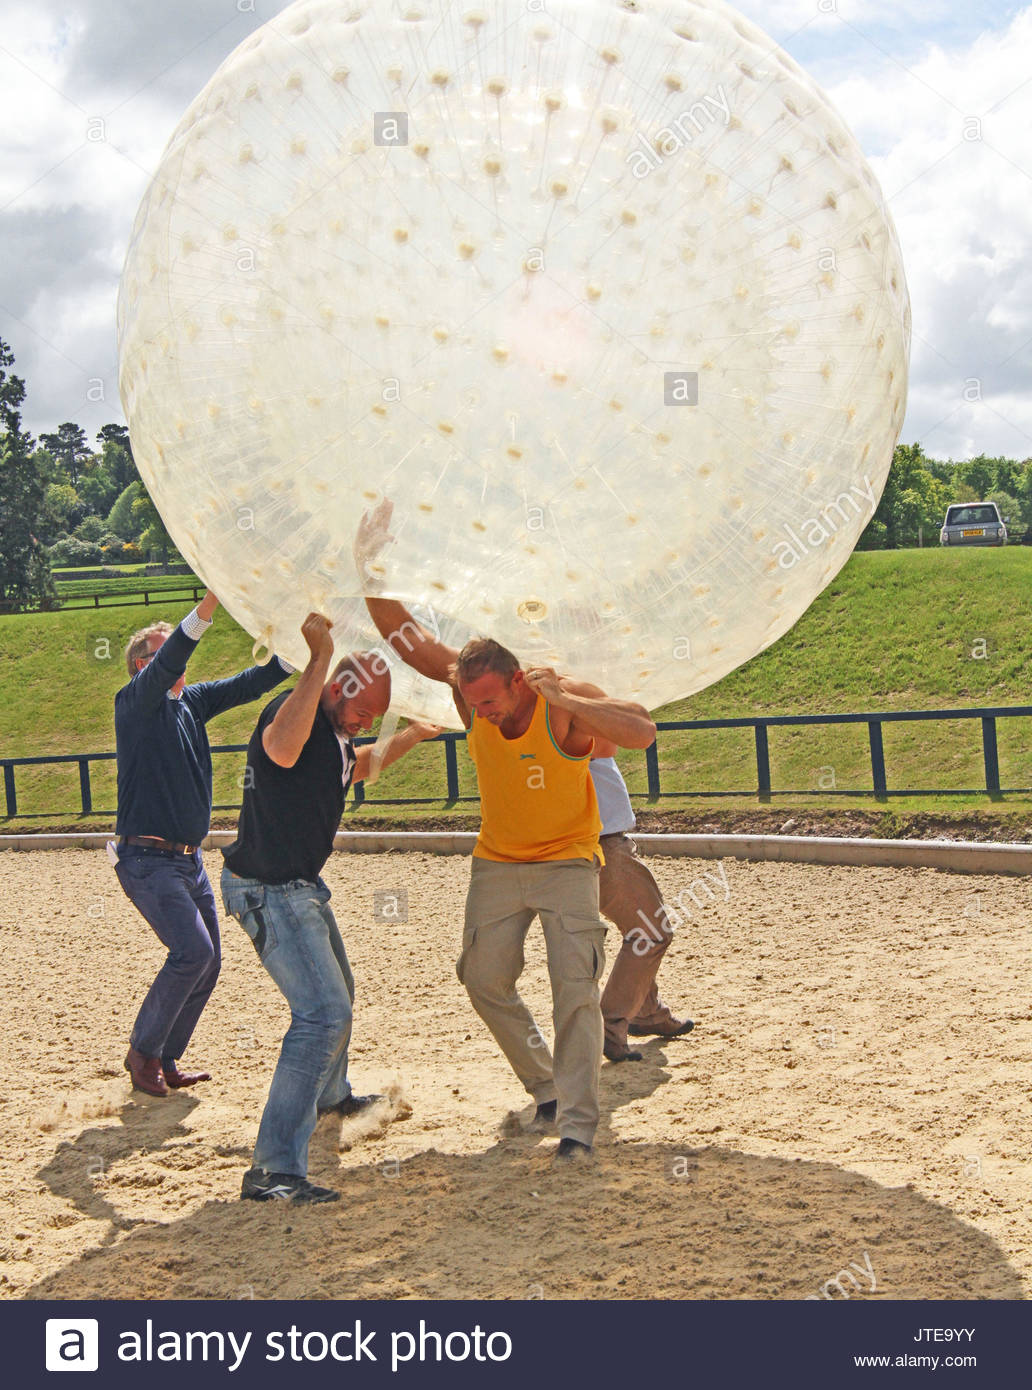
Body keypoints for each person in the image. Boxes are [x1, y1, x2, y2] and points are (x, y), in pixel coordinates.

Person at [358, 517, 656, 1161]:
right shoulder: (471, 698)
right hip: (496, 864)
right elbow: (408, 641)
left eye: (490, 702)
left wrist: (568, 699)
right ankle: (544, 1085)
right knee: (482, 978)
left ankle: (577, 1124)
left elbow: (640, 730)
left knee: (574, 991)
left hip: (570, 864)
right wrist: (370, 570)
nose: (481, 714)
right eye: (474, 704)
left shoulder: (561, 702)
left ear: (518, 680)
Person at [221, 612, 441, 1204]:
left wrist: (412, 736)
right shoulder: (290, 715)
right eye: (364, 711)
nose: (367, 724)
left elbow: (361, 765)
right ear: (336, 688)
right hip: (267, 888)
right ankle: (271, 1169)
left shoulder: (340, 738)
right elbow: (283, 751)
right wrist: (318, 658)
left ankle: (330, 1096)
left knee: (338, 995)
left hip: (299, 887)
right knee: (321, 1013)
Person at [114, 590, 292, 1098]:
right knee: (192, 952)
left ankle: (166, 1056)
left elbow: (250, 683)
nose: (179, 660)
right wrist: (210, 602)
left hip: (186, 862)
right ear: (140, 667)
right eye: (164, 652)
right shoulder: (134, 703)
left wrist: (299, 652)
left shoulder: (189, 701)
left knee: (208, 960)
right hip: (147, 859)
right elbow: (173, 657)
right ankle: (141, 1053)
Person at [588, 747, 694, 1062]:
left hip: (603, 840)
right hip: (603, 843)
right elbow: (620, 736)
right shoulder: (570, 713)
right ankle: (611, 1026)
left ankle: (648, 1011)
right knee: (651, 932)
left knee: (639, 929)